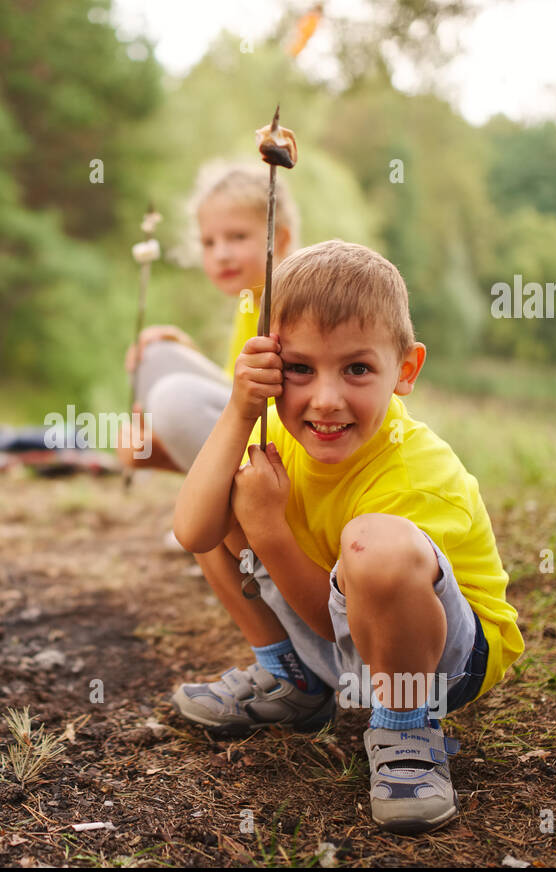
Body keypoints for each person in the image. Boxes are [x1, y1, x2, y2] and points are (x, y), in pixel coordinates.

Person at [169, 239, 524, 834]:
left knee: (373, 546)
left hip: (440, 662)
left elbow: (341, 624)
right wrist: (237, 411)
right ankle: (294, 680)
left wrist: (270, 531)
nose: (325, 401)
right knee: (219, 492)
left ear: (405, 370)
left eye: (357, 369)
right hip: (341, 641)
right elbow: (194, 530)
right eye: (300, 369)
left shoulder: (418, 474)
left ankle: (407, 730)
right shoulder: (277, 434)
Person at [120, 161, 298, 472]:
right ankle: (210, 489)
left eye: (238, 237)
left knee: (172, 399)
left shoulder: (293, 302)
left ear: (280, 240)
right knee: (155, 356)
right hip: (252, 433)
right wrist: (187, 349)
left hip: (286, 452)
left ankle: (237, 507)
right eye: (209, 243)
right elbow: (237, 391)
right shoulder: (249, 301)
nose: (221, 254)